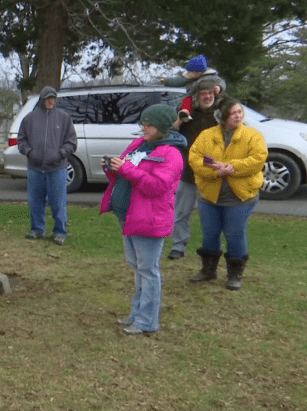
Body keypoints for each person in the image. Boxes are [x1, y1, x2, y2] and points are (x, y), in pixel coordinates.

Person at [100, 105, 186, 335]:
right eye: (143, 124)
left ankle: (147, 321)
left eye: (149, 125)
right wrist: (112, 169)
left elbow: (157, 186)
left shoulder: (172, 154)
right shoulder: (139, 145)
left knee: (148, 271)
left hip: (149, 219)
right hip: (129, 217)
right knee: (137, 268)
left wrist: (126, 169)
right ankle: (136, 314)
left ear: (162, 127)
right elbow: (124, 175)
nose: (144, 128)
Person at [188, 99, 267, 290]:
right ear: (222, 117)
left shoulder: (253, 136)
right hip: (210, 196)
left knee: (234, 234)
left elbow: (258, 159)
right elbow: (194, 159)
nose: (238, 115)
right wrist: (216, 173)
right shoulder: (206, 135)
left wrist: (233, 167)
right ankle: (208, 270)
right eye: (233, 113)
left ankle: (235, 274)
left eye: (240, 112)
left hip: (240, 197)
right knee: (210, 233)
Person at [166, 78, 222, 260]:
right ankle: (178, 246)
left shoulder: (221, 112)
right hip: (188, 172)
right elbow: (171, 132)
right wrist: (180, 119)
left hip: (213, 173)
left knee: (213, 214)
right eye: (203, 94)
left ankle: (213, 248)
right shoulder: (187, 110)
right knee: (181, 212)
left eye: (210, 93)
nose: (207, 97)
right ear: (197, 96)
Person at [16, 86, 78, 245]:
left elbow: (72, 142)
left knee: (58, 202)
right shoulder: (29, 119)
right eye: (48, 98)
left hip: (57, 168)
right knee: (35, 201)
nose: (51, 101)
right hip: (35, 168)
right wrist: (29, 152)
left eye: (53, 98)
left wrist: (61, 154)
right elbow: (21, 140)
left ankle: (60, 232)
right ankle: (37, 230)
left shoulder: (64, 118)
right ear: (42, 99)